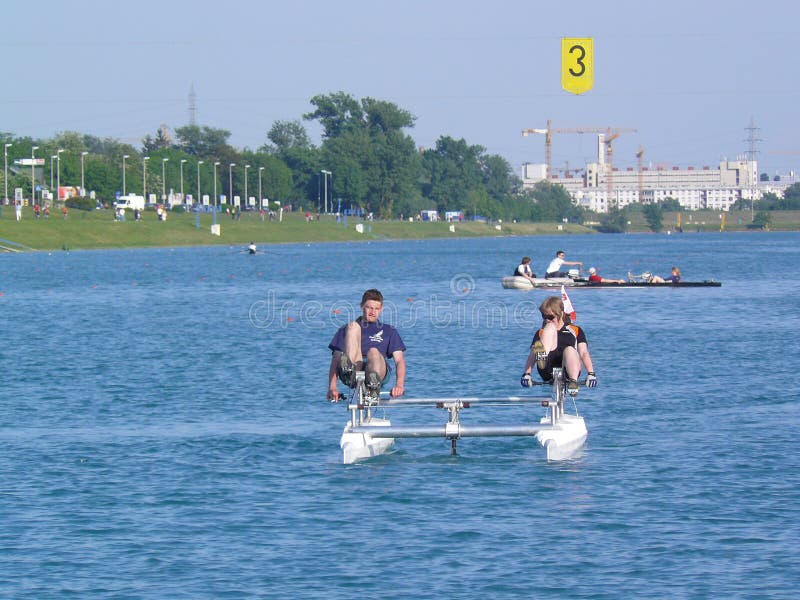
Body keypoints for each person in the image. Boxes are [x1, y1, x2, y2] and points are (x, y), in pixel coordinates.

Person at [327, 288, 406, 402]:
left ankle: (373, 385)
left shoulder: (389, 331)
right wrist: (332, 387)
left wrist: (399, 385)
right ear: (362, 306)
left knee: (373, 352)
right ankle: (350, 371)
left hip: (377, 369)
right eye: (369, 307)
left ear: (381, 309)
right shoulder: (346, 329)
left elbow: (399, 361)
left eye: (376, 308)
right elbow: (335, 359)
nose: (373, 312)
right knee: (353, 327)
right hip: (354, 369)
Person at [520, 296, 597, 395]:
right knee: (549, 328)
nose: (547, 320)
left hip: (569, 370)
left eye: (551, 317)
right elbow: (532, 355)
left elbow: (583, 353)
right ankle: (542, 356)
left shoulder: (576, 330)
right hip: (547, 369)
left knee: (570, 350)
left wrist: (591, 374)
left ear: (560, 314)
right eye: (544, 317)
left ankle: (573, 383)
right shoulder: (540, 332)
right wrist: (527, 374)